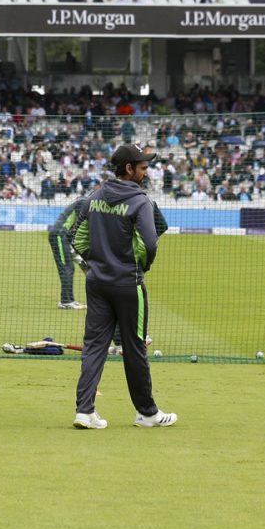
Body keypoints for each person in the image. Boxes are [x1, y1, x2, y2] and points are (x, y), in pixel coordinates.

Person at [66, 144, 175, 429]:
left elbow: (75, 238)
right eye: (142, 167)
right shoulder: (141, 201)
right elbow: (150, 243)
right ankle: (147, 413)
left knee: (94, 347)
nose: (146, 171)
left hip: (97, 283)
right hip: (129, 285)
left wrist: (97, 262)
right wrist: (140, 266)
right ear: (129, 169)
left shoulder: (95, 196)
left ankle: (84, 411)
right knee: (135, 347)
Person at [47, 197, 86, 310]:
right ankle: (65, 302)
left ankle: (69, 300)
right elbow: (79, 226)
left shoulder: (83, 201)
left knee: (69, 268)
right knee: (66, 268)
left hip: (64, 237)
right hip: (60, 235)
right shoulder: (84, 203)